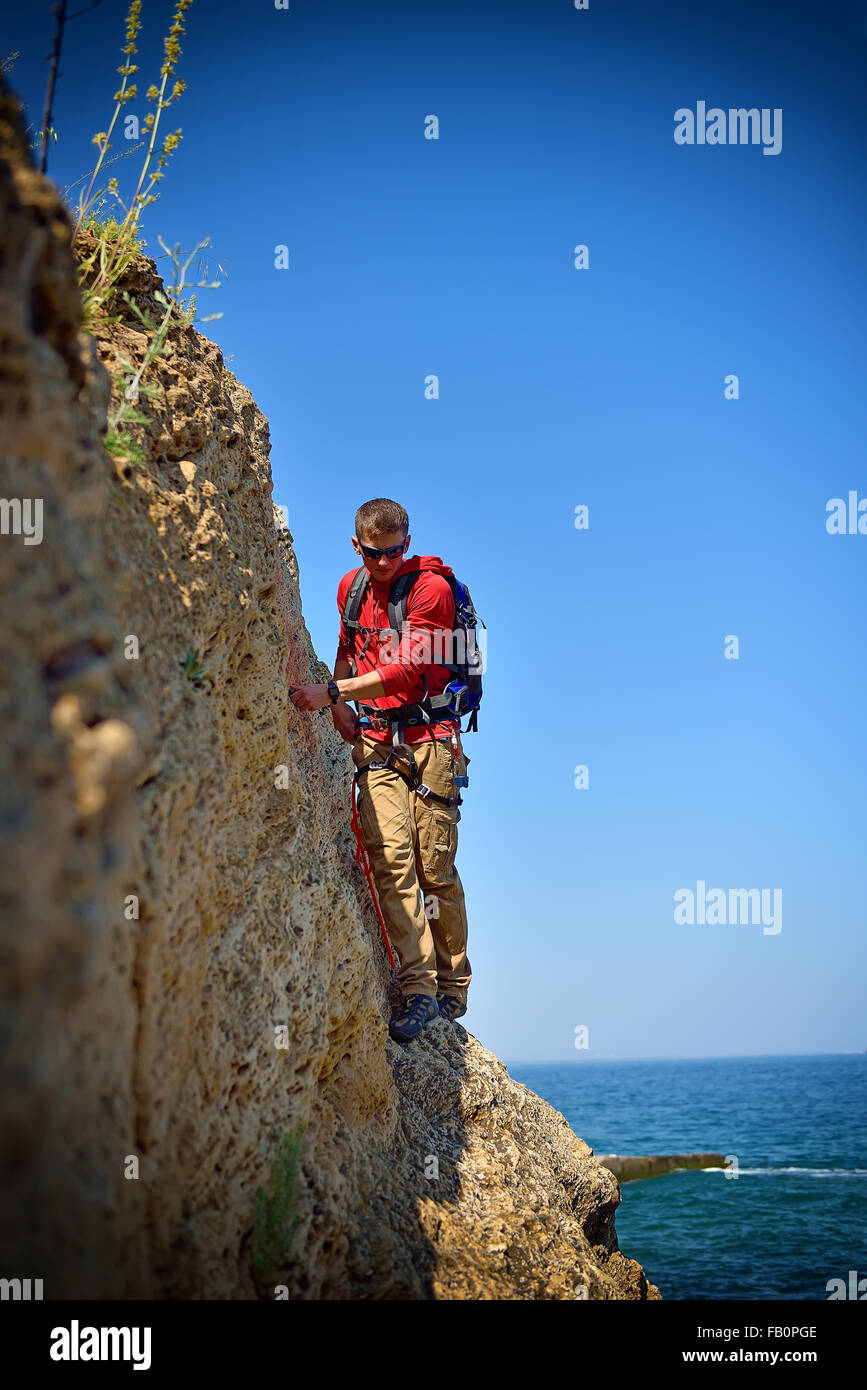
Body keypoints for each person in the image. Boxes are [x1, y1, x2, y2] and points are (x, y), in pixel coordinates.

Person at [288, 497, 471, 1042]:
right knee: (391, 862)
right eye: (376, 553)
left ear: (408, 544)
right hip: (376, 741)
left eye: (396, 551)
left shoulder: (431, 590)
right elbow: (348, 646)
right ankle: (417, 989)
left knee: (433, 867)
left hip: (431, 739)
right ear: (357, 546)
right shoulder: (352, 587)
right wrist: (341, 703)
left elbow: (406, 669)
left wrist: (331, 692)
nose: (386, 562)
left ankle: (452, 985)